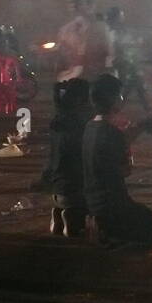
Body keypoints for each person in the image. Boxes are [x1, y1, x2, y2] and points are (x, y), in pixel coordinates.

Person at [83, 74, 152, 247]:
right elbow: (125, 170)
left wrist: (142, 126)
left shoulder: (90, 127)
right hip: (113, 205)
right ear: (115, 101)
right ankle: (107, 231)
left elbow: (123, 137)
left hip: (92, 202)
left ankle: (102, 226)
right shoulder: (111, 134)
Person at [46, 78, 91, 238]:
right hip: (73, 193)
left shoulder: (59, 121)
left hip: (56, 190)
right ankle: (72, 217)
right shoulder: (79, 125)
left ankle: (59, 212)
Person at [56, 0, 111, 82]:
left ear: (90, 3)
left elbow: (108, 56)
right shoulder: (65, 31)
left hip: (96, 80)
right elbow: (62, 56)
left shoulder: (101, 29)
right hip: (72, 79)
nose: (73, 6)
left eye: (77, 2)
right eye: (70, 2)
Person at [104, 7, 152, 113]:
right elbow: (117, 46)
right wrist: (135, 44)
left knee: (136, 85)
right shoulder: (112, 32)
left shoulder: (118, 30)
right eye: (121, 15)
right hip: (122, 65)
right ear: (116, 17)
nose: (123, 17)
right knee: (124, 89)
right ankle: (114, 111)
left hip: (128, 64)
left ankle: (148, 109)